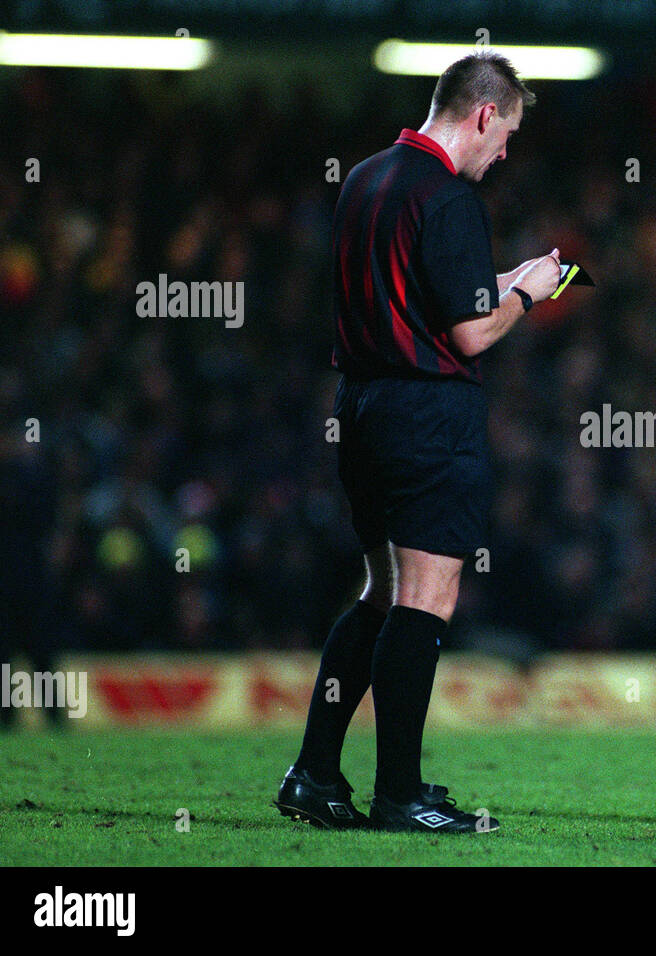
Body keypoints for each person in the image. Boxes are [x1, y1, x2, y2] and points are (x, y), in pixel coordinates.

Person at [275, 52, 561, 834]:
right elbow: (469, 334)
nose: (505, 153)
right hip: (428, 413)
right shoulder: (450, 195)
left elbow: (415, 292)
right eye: (506, 134)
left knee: (377, 593)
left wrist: (500, 280)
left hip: (360, 406)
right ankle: (399, 793)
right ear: (481, 114)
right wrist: (528, 296)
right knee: (425, 599)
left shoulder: (367, 178)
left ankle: (314, 772)